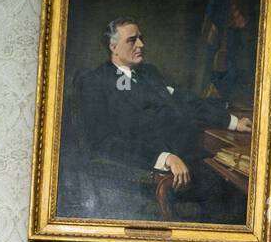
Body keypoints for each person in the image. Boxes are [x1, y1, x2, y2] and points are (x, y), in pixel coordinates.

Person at [74, 16, 252, 224]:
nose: (141, 44)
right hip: (146, 169)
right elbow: (104, 142)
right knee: (228, 191)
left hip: (187, 157)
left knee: (235, 182)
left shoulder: (149, 73)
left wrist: (232, 121)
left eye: (141, 38)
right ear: (113, 46)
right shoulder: (95, 83)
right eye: (132, 40)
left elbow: (186, 102)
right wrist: (164, 157)